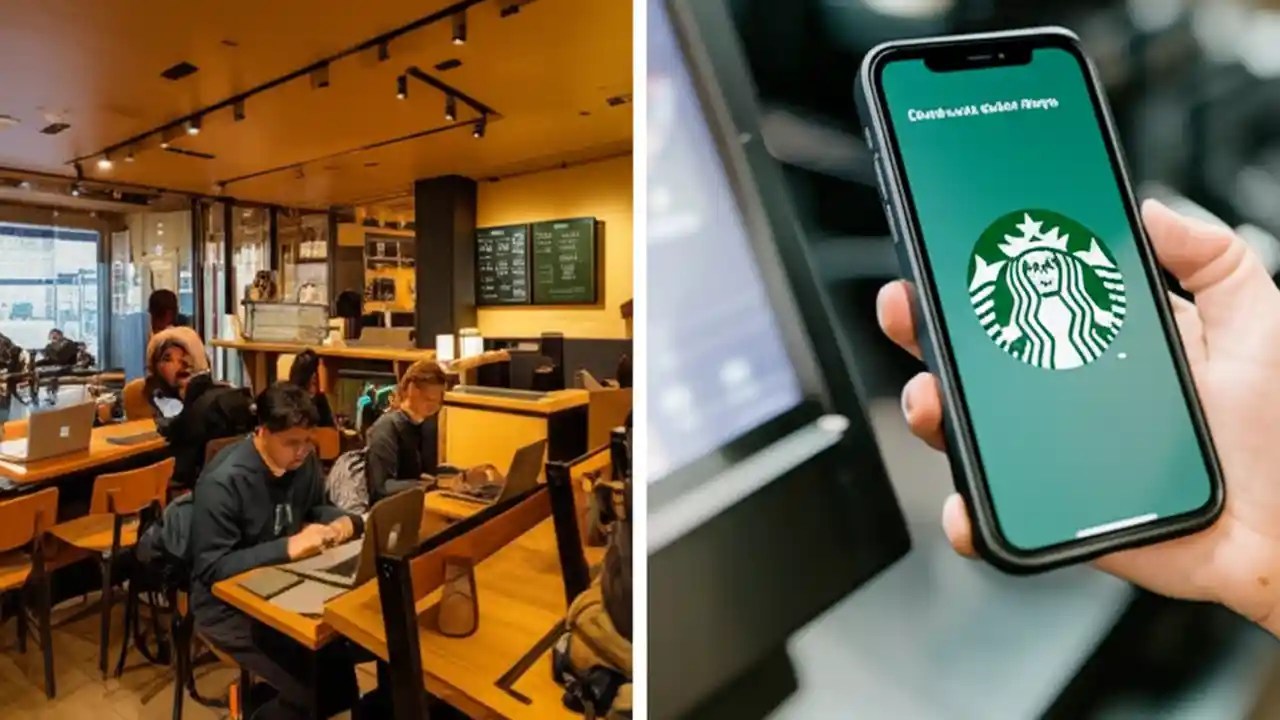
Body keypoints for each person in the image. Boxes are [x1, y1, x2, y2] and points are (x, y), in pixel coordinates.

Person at [877, 199, 1280, 636]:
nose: (1043, 273)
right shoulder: (1023, 334)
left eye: (1051, 264)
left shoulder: (1092, 321)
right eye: (1032, 269)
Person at [191, 383, 363, 719]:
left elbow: (315, 508)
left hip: (281, 585)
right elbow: (212, 569)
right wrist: (288, 547)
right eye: (291, 443)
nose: (302, 452)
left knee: (339, 675)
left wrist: (342, 521)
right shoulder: (223, 482)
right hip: (226, 606)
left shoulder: (304, 462)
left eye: (307, 442)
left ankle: (263, 703)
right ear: (263, 432)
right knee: (311, 689)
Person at [146, 327, 254, 492]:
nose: (178, 365)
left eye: (184, 359)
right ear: (155, 366)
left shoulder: (204, 404)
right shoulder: (150, 398)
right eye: (167, 359)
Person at [363, 359, 446, 503]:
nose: (434, 407)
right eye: (429, 400)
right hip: (394, 513)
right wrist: (426, 486)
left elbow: (430, 474)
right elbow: (381, 488)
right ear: (412, 390)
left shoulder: (428, 426)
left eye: (438, 402)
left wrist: (462, 477)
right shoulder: (385, 428)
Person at [287, 349, 335, 427]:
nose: (315, 376)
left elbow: (330, 431)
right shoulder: (288, 401)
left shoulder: (320, 400)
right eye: (311, 372)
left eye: (316, 371)